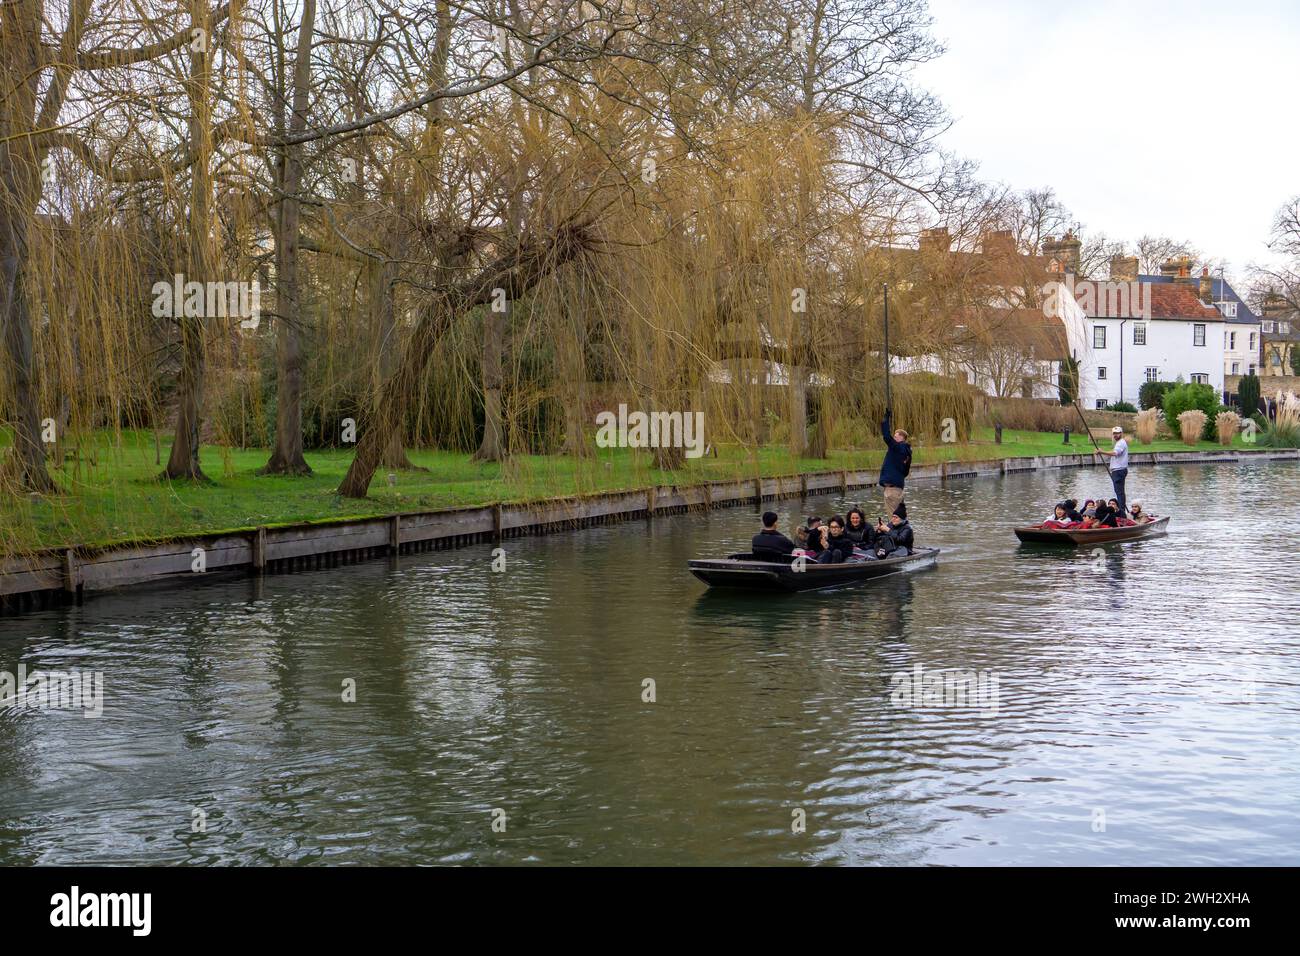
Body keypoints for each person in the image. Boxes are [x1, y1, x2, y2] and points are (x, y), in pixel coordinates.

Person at [879, 408, 913, 520]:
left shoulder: (897, 447)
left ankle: (896, 537)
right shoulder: (907, 452)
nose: (894, 437)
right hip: (899, 489)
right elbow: (905, 472)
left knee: (894, 519)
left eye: (896, 435)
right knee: (901, 517)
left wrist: (886, 418)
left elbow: (886, 435)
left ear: (901, 438)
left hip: (892, 490)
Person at [1094, 425, 1130, 516]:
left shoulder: (1121, 443)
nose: (1115, 435)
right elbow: (1115, 453)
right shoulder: (1119, 443)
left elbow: (1115, 453)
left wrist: (1101, 452)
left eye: (1117, 433)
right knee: (1119, 491)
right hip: (1117, 470)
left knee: (1119, 492)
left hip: (1119, 471)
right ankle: (1122, 511)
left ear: (1121, 433)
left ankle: (1122, 512)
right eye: (1114, 433)